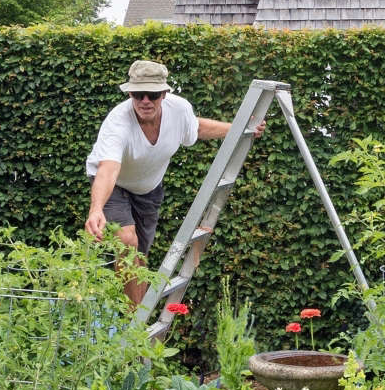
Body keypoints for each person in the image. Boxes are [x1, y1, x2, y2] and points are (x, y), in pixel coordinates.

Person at [84, 59, 262, 304]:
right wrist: (96, 209)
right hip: (114, 186)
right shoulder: (118, 121)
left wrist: (239, 128)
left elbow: (196, 128)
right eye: (137, 94)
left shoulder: (179, 110)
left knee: (139, 257)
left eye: (152, 95)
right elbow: (108, 169)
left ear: (164, 93)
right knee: (126, 241)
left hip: (148, 189)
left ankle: (137, 318)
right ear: (130, 94)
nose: (145, 101)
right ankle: (133, 321)